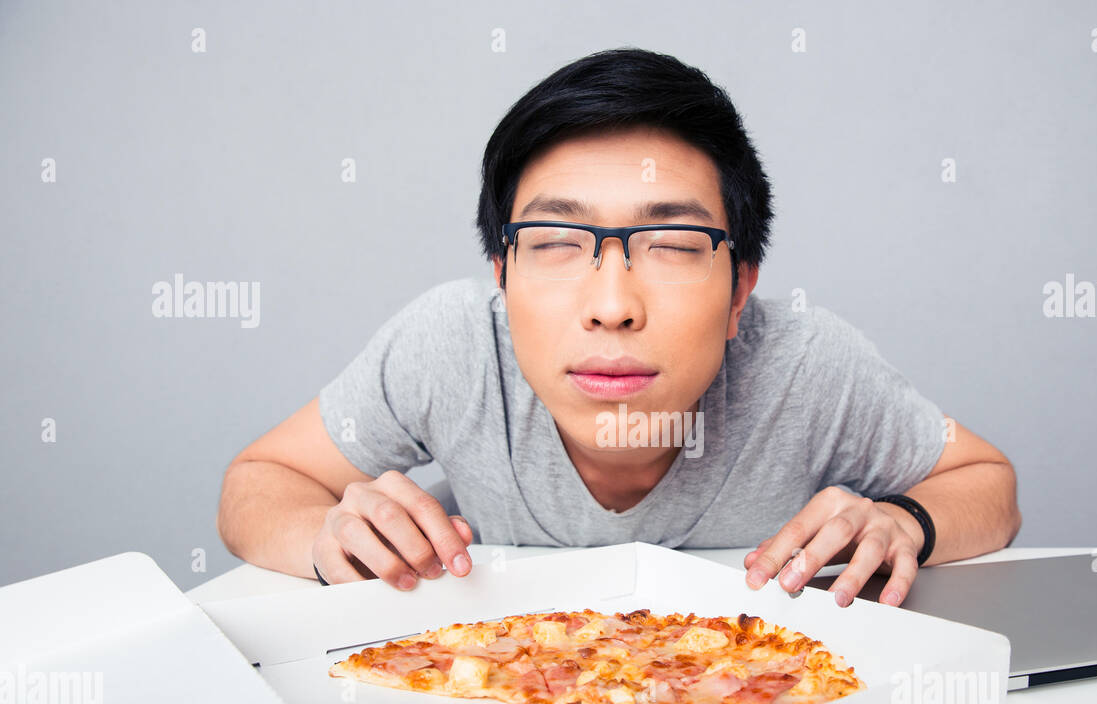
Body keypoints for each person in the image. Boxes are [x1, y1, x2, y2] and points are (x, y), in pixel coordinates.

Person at [217, 48, 1021, 608]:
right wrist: (324, 539)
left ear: (742, 288)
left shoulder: (808, 364)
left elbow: (990, 484)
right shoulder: (450, 347)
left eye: (671, 244)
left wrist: (904, 519)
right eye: (558, 244)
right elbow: (258, 480)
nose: (612, 305)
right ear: (500, 276)